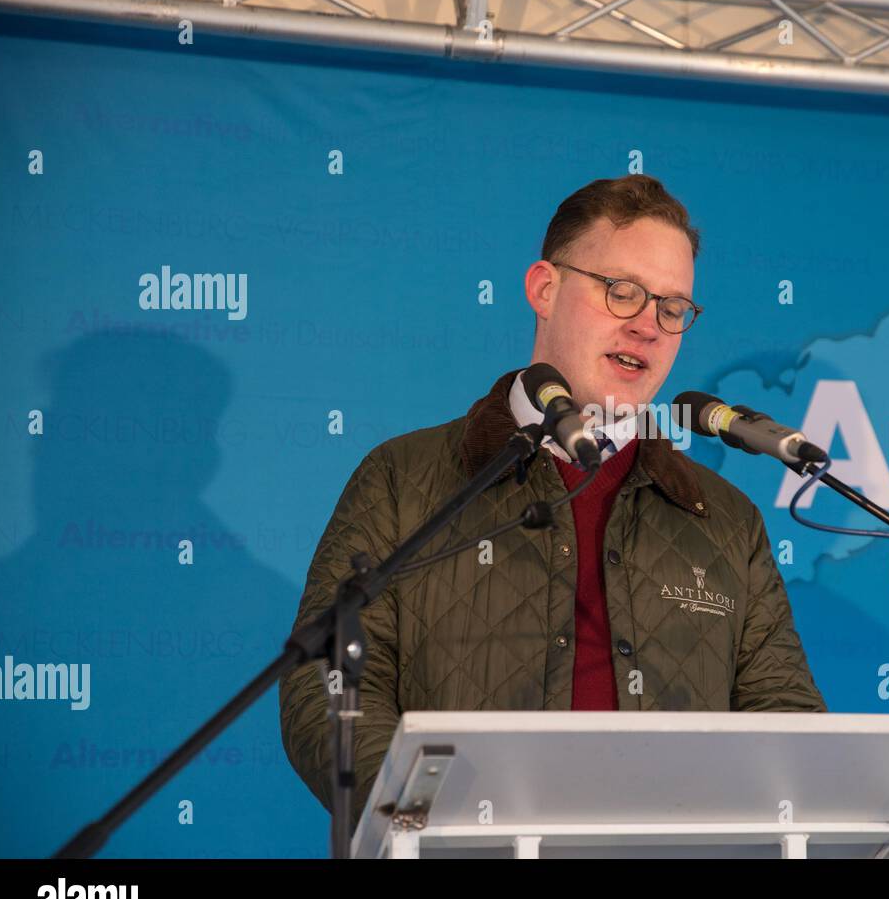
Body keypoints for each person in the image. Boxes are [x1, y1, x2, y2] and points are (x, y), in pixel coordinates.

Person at [279, 174, 826, 827]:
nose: (648, 325)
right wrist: (436, 825)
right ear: (545, 288)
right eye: (622, 292)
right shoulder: (406, 478)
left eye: (672, 307)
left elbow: (786, 720)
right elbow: (328, 687)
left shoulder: (725, 518)